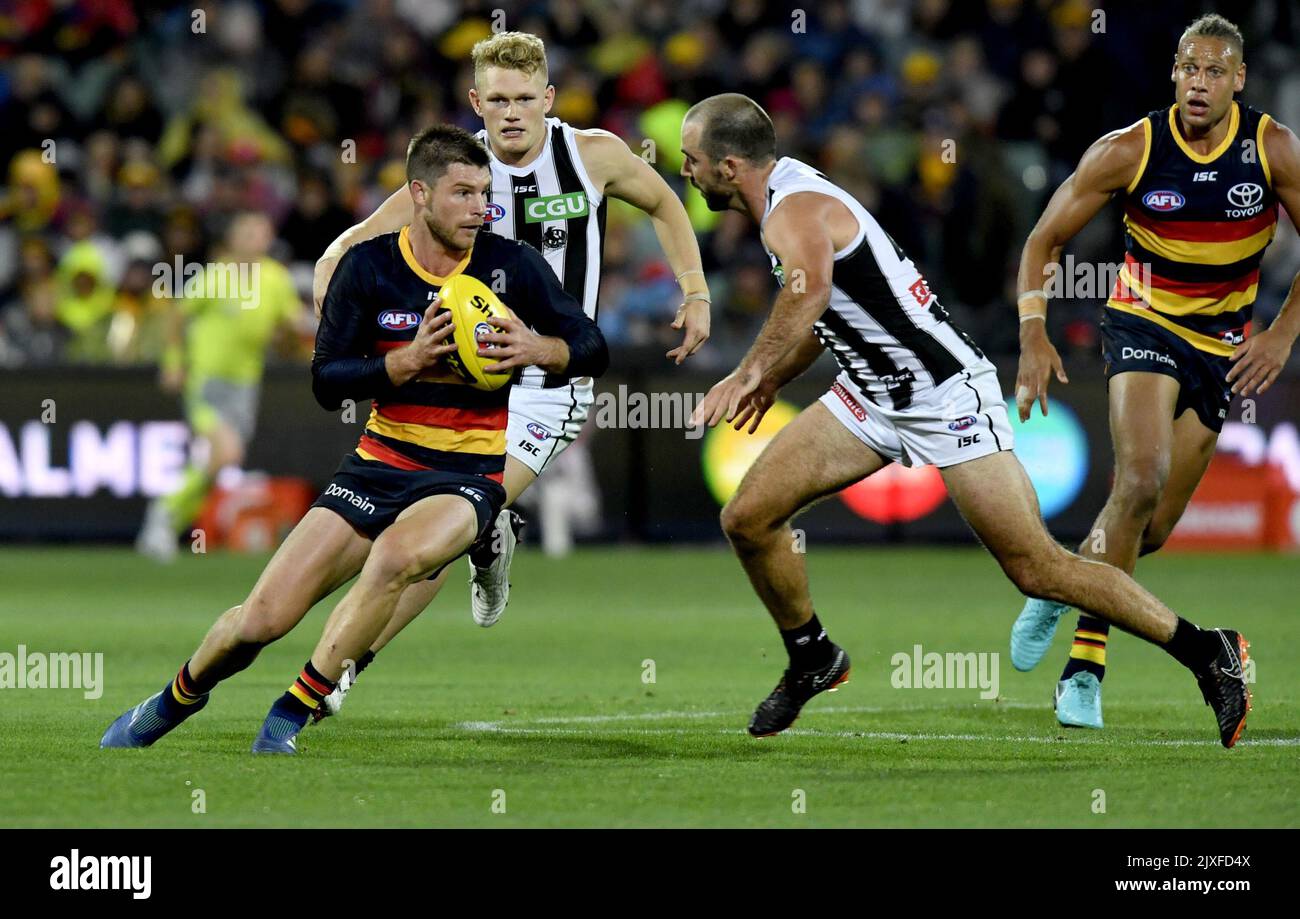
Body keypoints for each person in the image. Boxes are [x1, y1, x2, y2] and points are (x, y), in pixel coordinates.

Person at [682, 93, 1251, 748]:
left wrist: (749, 371)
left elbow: (805, 292)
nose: (685, 173)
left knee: (1037, 568)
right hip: (871, 394)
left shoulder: (794, 210)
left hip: (944, 393)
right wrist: (777, 374)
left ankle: (1208, 650)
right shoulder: (789, 199)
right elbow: (827, 305)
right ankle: (813, 656)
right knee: (748, 517)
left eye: (691, 161)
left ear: (729, 165)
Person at [100, 125, 608, 754]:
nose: (482, 208)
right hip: (376, 466)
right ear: (419, 194)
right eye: (463, 194)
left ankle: (291, 711)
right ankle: (172, 699)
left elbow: (592, 346)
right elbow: (326, 381)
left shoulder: (513, 265)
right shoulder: (368, 269)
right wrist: (401, 364)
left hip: (467, 475)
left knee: (397, 560)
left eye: (485, 194)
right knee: (260, 620)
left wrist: (541, 348)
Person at [311, 30, 709, 717]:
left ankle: (343, 666)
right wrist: (331, 292)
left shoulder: (594, 156)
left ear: (548, 98)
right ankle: (486, 531)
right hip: (463, 385)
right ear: (476, 101)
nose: (513, 112)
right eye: (498, 99)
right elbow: (346, 250)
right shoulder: (453, 175)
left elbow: (668, 204)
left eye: (526, 97)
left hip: (550, 385)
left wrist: (695, 290)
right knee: (419, 536)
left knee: (430, 546)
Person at [1009, 13, 1299, 728]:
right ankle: (1083, 671)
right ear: (1174, 72)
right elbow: (1045, 237)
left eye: (1214, 71)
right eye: (1188, 68)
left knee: (1152, 527)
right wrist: (1032, 331)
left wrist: (1284, 332)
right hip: (1142, 326)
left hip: (1221, 348)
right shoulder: (1131, 148)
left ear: (1239, 80)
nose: (1199, 83)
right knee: (1138, 478)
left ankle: (1061, 578)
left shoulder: (1274, 149)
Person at [135, 212, 301, 560]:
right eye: (248, 231)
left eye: (261, 231)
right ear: (234, 239)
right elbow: (177, 317)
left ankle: (165, 523)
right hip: (207, 381)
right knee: (225, 453)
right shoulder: (214, 276)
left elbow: (291, 324)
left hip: (245, 385)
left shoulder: (274, 279)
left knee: (220, 460)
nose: (256, 238)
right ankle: (163, 513)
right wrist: (173, 363)